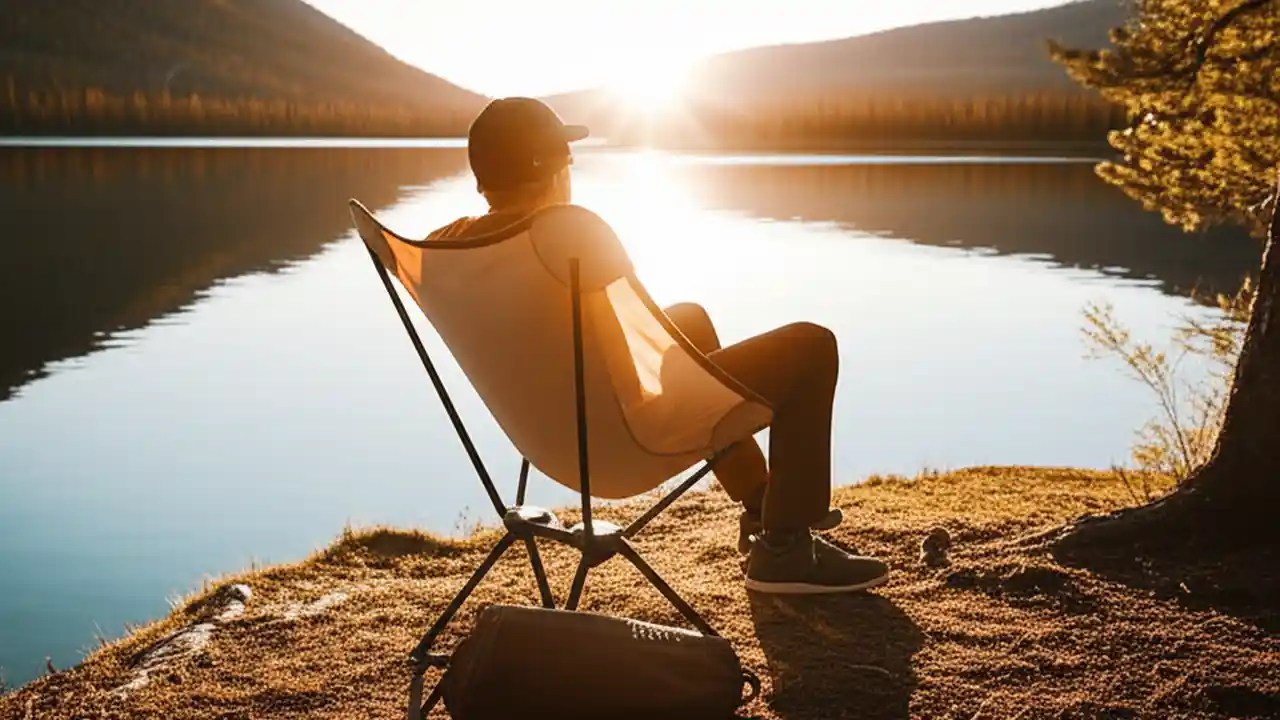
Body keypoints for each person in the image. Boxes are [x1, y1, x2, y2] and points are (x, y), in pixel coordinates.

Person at [428, 97, 889, 595]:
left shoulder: (450, 247)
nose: (572, 168)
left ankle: (764, 506)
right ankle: (785, 549)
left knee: (687, 319)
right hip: (621, 441)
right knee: (811, 349)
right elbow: (628, 361)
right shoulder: (569, 236)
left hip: (549, 442)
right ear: (546, 167)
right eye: (566, 156)